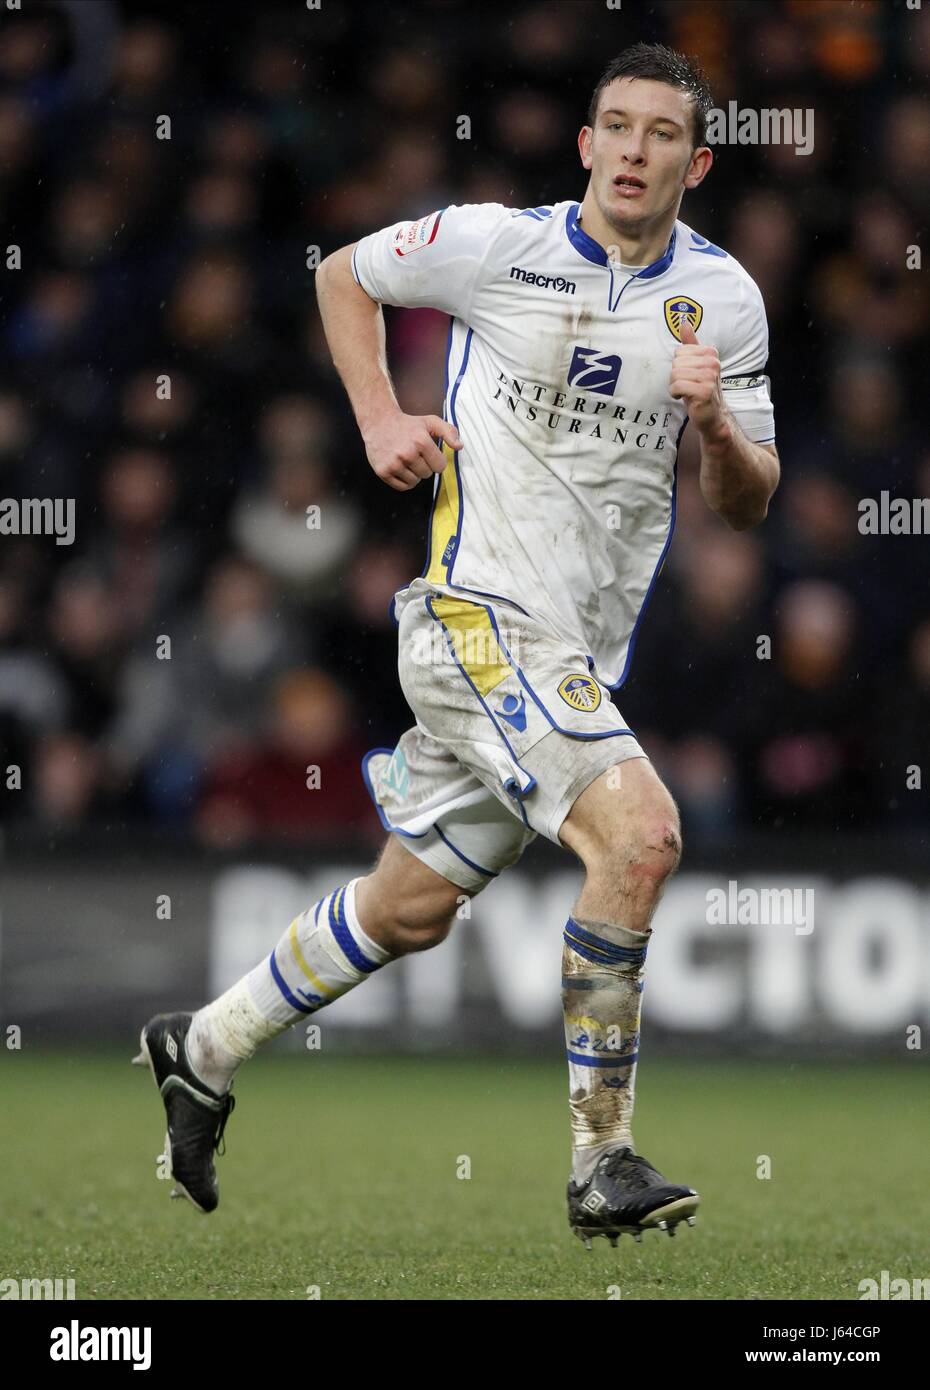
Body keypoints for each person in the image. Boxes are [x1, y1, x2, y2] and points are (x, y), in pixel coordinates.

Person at [136, 43, 779, 1247]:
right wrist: (380, 416)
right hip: (472, 622)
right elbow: (343, 273)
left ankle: (203, 1045)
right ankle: (603, 1160)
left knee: (410, 906)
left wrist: (714, 423)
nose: (634, 151)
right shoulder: (499, 245)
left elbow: (749, 501)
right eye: (615, 127)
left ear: (696, 162)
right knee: (641, 835)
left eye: (660, 135)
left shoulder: (725, 301)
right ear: (586, 145)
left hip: (571, 655)